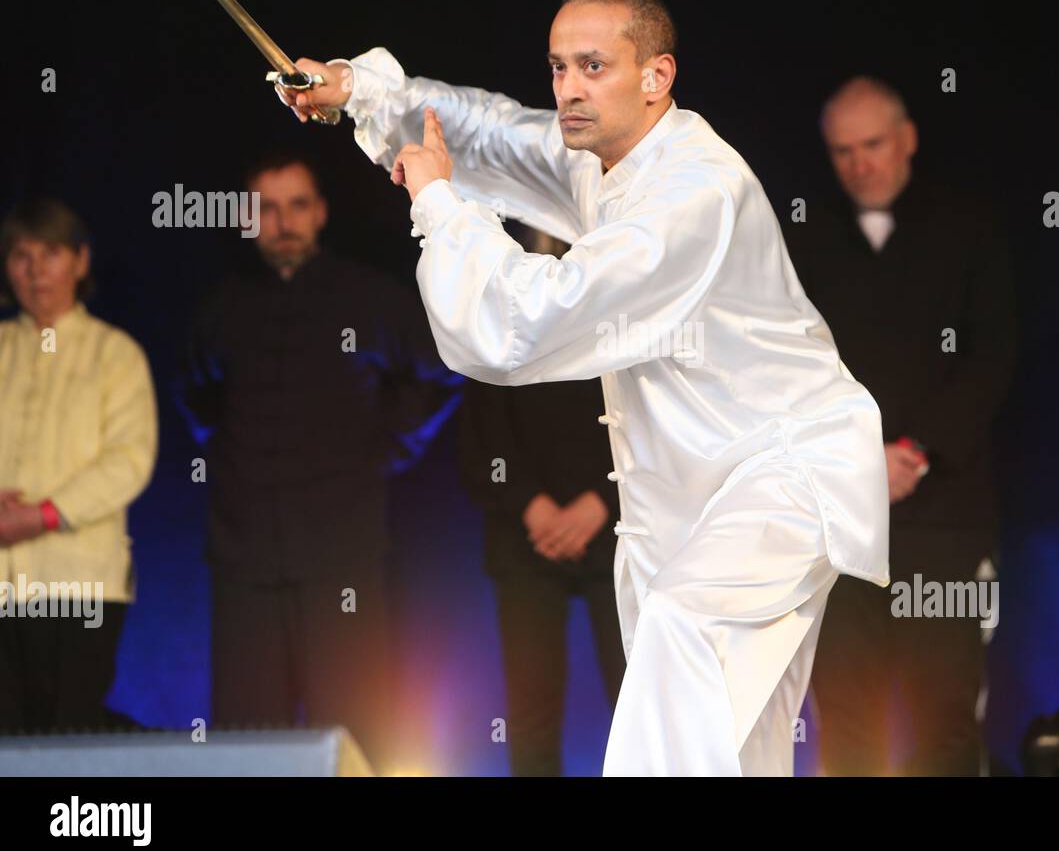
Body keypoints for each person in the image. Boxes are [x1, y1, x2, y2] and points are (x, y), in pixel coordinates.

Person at [277, 0, 889, 775]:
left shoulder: (694, 191)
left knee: (681, 632)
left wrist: (436, 200)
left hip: (784, 470)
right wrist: (359, 90)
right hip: (681, 499)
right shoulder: (600, 159)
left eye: (593, 66)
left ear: (656, 76)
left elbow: (530, 318)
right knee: (737, 738)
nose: (568, 88)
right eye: (559, 66)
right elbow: (493, 133)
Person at [177, 152, 457, 773]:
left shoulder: (369, 298)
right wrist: (229, 456)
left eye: (297, 205)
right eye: (267, 209)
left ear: (321, 213)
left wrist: (387, 447)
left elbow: (441, 373)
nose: (283, 222)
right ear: (248, 221)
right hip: (244, 558)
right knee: (245, 742)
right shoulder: (221, 310)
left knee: (353, 733)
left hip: (342, 560)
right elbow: (194, 395)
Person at [786, 77, 1016, 775]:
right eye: (843, 151)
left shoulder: (972, 226)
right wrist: (854, 462)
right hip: (835, 519)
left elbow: (993, 357)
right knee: (845, 716)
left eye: (874, 145)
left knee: (945, 718)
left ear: (908, 139)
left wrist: (915, 453)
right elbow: (784, 365)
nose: (861, 164)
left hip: (945, 520)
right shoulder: (800, 236)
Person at [458, 228, 625, 775]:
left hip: (623, 526)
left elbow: (653, 394)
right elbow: (479, 420)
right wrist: (531, 505)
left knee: (637, 700)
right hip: (523, 533)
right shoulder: (494, 270)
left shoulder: (623, 255)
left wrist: (605, 499)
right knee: (529, 715)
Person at [0, 199, 158, 733]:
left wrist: (43, 514)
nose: (36, 270)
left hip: (79, 586)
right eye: (21, 255)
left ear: (80, 262)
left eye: (50, 253)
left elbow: (129, 460)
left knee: (67, 738)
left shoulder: (115, 354)